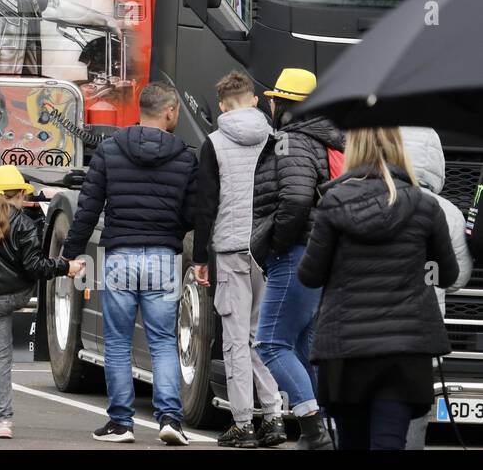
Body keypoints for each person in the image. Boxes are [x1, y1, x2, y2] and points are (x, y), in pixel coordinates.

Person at [299, 126, 459, 450]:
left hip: (346, 348)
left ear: (353, 149)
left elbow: (310, 275)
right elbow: (447, 274)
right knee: (390, 445)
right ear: (399, 148)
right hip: (404, 350)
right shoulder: (425, 206)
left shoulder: (333, 203)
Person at [62, 81, 198, 446]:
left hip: (119, 255)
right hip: (163, 257)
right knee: (163, 341)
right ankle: (170, 418)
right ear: (169, 112)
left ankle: (121, 423)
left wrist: (71, 252)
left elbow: (89, 207)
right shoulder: (186, 158)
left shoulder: (109, 150)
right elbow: (192, 213)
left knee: (118, 343)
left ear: (140, 110)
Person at [250, 67, 343, 450]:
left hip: (295, 252)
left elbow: (297, 199)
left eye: (274, 99)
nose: (270, 104)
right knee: (304, 348)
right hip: (318, 252)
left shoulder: (291, 140)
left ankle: (312, 426)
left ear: (283, 104)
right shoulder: (327, 139)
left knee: (270, 342)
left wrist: (277, 243)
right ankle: (329, 428)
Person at [192, 71, 285, 448]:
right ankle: (275, 417)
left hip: (231, 250)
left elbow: (206, 205)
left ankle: (243, 423)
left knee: (233, 339)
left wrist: (200, 256)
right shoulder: (278, 139)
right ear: (253, 100)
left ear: (221, 106)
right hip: (270, 250)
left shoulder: (212, 143)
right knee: (262, 337)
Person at [0, 165, 69, 439]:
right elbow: (36, 268)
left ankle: (3, 421)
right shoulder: (25, 224)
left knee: (0, 359)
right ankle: (3, 420)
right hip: (20, 294)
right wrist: (66, 266)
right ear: (21, 193)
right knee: (3, 349)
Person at [398, 127, 474, 449]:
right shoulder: (450, 214)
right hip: (426, 336)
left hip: (372, 337)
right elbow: (458, 278)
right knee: (415, 415)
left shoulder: (372, 199)